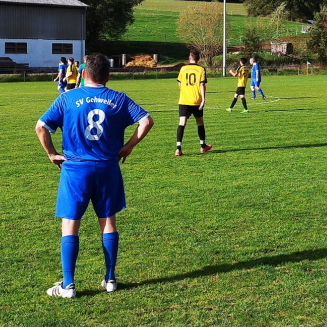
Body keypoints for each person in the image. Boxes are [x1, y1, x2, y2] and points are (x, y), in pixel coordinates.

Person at [35, 53, 153, 298]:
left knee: (70, 223)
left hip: (75, 169)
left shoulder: (67, 98)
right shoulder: (118, 99)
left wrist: (51, 154)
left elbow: (41, 127)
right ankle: (110, 278)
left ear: (83, 74)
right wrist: (129, 145)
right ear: (108, 76)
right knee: (108, 222)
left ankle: (68, 285)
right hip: (107, 167)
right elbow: (146, 121)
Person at [174, 48, 211, 156]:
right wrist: (203, 100)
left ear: (190, 57)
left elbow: (179, 84)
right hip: (196, 100)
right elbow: (202, 84)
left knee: (182, 123)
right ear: (198, 58)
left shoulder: (183, 68)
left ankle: (178, 149)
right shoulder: (201, 69)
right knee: (199, 122)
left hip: (184, 100)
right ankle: (203, 146)